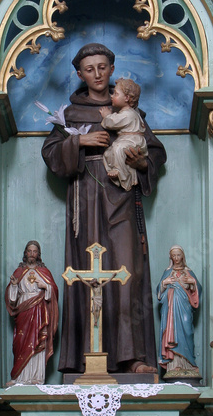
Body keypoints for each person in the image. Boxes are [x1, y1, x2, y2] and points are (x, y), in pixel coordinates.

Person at [42, 43, 166, 375]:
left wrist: (142, 162)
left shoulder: (131, 110)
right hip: (85, 195)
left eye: (102, 67)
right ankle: (87, 356)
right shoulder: (70, 113)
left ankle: (131, 356)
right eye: (89, 69)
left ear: (112, 69)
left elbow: (155, 152)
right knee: (86, 273)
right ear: (80, 74)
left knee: (127, 270)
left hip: (122, 194)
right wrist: (78, 142)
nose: (97, 74)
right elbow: (52, 155)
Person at [5, 241, 59, 385]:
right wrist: (15, 285)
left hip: (39, 310)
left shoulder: (44, 272)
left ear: (38, 254)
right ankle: (20, 377)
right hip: (23, 309)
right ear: (25, 253)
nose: (32, 254)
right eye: (29, 251)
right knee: (21, 342)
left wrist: (46, 287)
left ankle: (36, 377)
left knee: (38, 341)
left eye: (35, 251)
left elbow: (53, 291)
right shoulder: (18, 272)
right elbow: (11, 299)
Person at [156, 246, 202, 379]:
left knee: (187, 330)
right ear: (171, 258)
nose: (176, 258)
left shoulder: (188, 272)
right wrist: (165, 283)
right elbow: (159, 292)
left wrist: (192, 283)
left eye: (178, 255)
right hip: (171, 310)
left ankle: (188, 364)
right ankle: (174, 365)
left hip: (184, 307)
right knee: (171, 332)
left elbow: (198, 289)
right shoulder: (167, 272)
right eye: (174, 256)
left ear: (182, 256)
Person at [99, 77, 147, 191]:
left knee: (118, 148)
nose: (112, 96)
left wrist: (106, 115)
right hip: (129, 139)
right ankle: (124, 173)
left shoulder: (128, 114)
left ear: (126, 98)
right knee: (108, 153)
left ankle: (122, 175)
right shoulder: (130, 112)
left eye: (115, 94)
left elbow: (112, 122)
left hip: (132, 140)